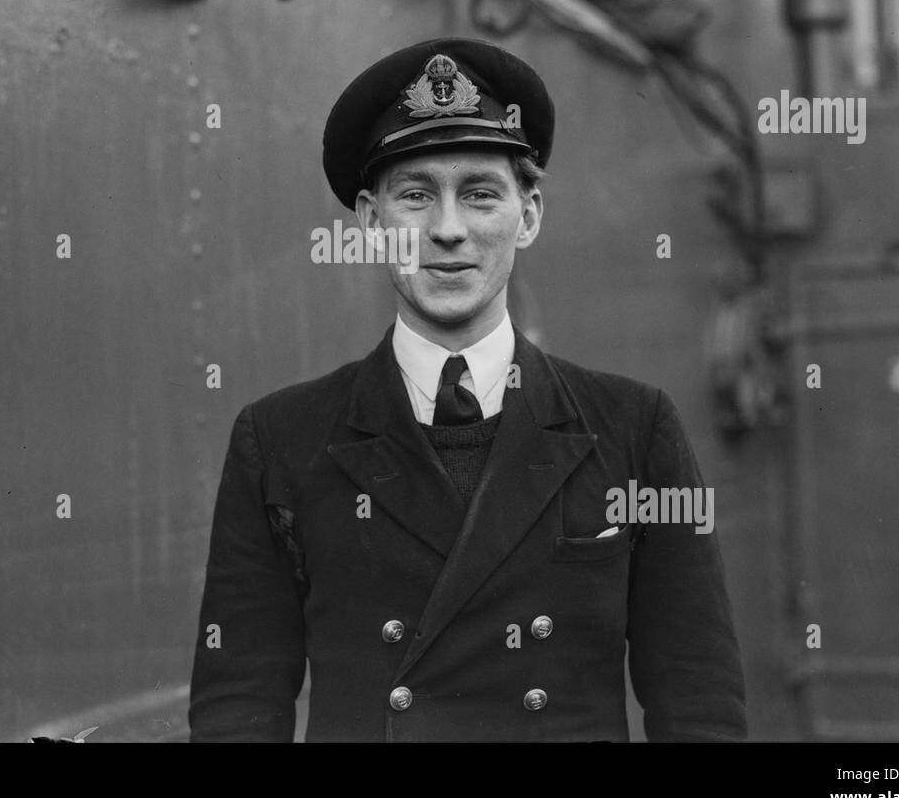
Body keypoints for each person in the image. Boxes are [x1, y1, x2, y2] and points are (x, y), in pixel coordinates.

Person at [189, 36, 746, 742]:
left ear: (530, 214)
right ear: (369, 223)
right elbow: (237, 703)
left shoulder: (634, 429)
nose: (448, 229)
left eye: (480, 194)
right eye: (416, 195)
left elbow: (699, 699)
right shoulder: (280, 440)